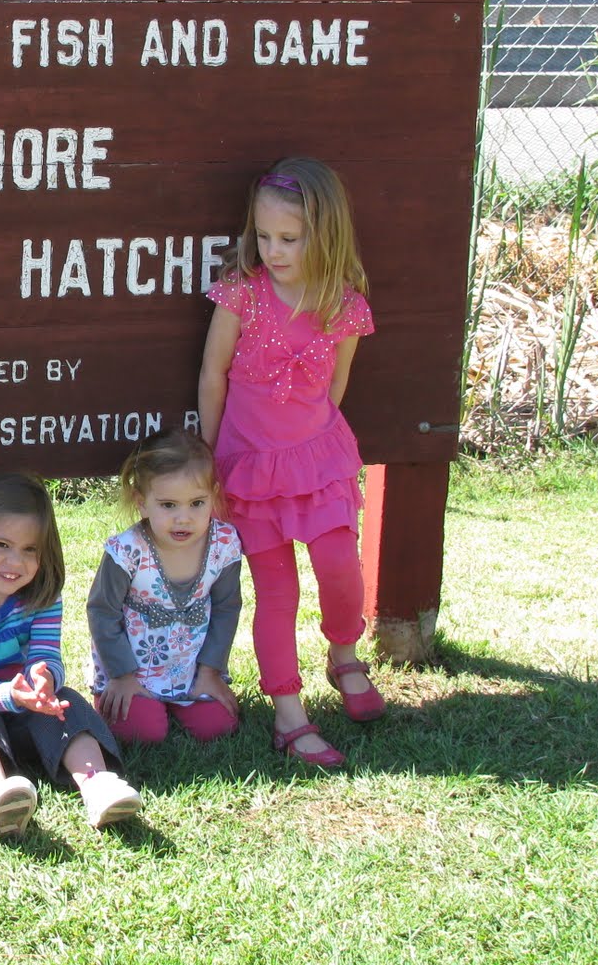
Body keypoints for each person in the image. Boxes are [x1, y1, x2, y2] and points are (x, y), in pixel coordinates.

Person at [198, 156, 382, 767]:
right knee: (277, 591)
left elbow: (336, 386)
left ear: (323, 236)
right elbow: (213, 374)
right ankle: (289, 714)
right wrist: (211, 456)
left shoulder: (342, 305)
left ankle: (344, 655)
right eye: (263, 236)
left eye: (289, 239)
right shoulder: (242, 295)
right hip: (250, 469)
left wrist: (314, 446)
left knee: (339, 566)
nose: (272, 251)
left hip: (317, 464)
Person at [0, 473, 142, 836]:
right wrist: (11, 695)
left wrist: (44, 680)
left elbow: (48, 656)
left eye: (30, 549)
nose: (15, 561)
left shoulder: (42, 596)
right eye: (1, 544)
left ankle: (97, 784)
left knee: (67, 703)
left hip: (19, 707)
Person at [88, 429, 243, 745]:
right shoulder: (127, 551)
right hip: (134, 669)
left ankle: (185, 696)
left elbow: (227, 608)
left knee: (217, 725)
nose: (183, 518)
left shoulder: (223, 544)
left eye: (197, 503)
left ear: (213, 495)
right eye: (168, 505)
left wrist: (210, 671)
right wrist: (121, 676)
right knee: (142, 731)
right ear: (142, 503)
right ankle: (127, 699)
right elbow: (102, 612)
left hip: (190, 666)